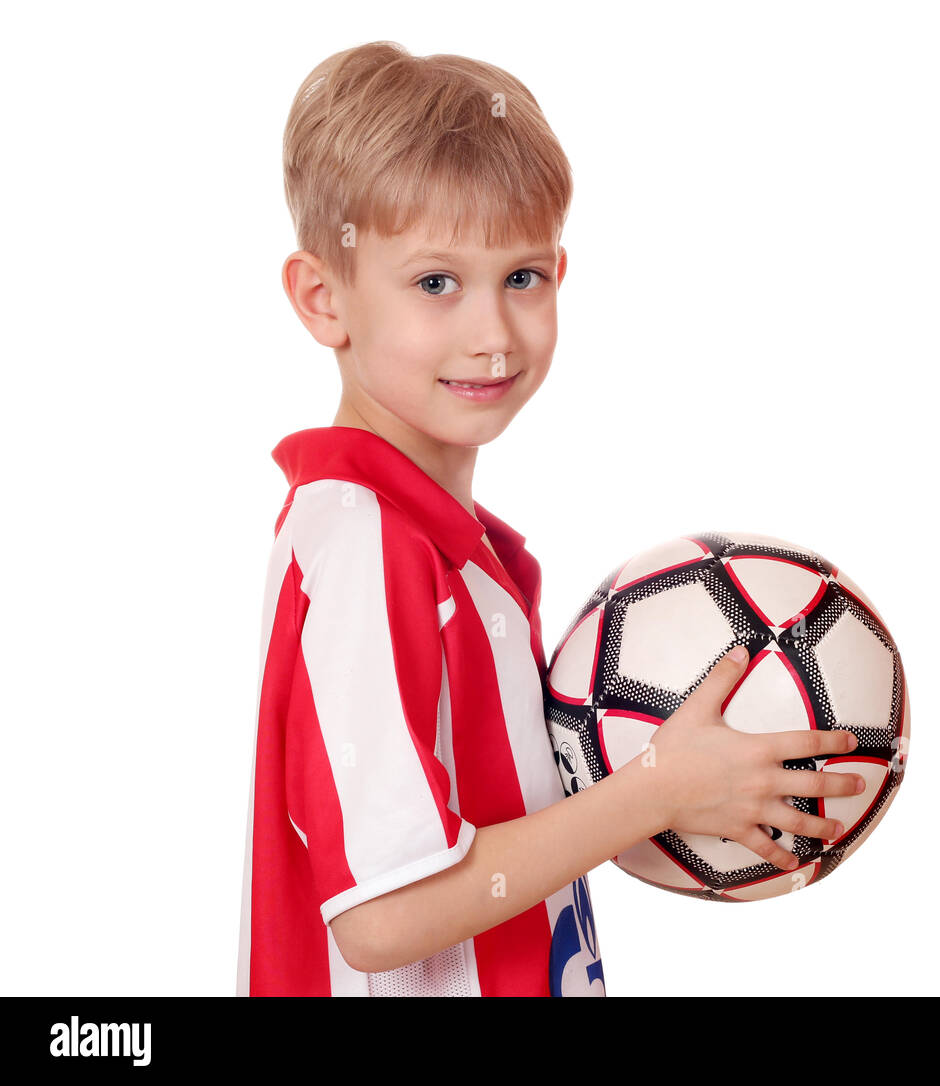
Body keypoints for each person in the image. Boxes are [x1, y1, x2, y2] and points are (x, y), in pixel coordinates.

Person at [236, 41, 864, 997]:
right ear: (325, 299)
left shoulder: (452, 545)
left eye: (522, 277)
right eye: (436, 283)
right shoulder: (366, 542)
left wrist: (668, 780)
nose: (492, 334)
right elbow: (380, 917)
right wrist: (654, 788)